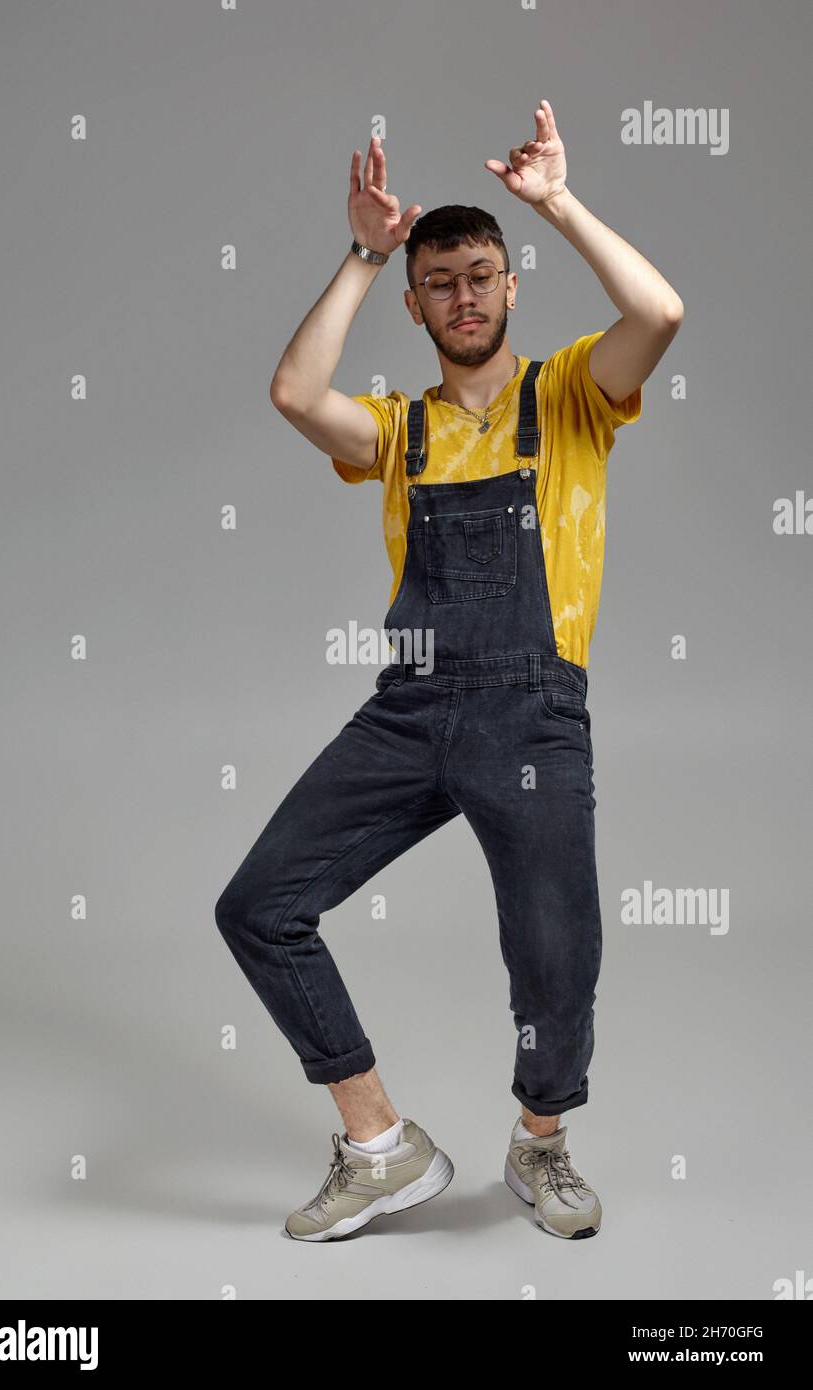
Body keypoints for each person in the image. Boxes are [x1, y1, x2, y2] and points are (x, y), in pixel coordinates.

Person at [215, 99, 683, 1242]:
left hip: (532, 714)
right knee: (260, 905)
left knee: (553, 954)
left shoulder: (570, 395)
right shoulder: (394, 429)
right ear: (417, 300)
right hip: (411, 709)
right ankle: (379, 1142)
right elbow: (290, 393)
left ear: (510, 286)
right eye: (439, 280)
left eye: (480, 275)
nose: (462, 297)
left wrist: (554, 200)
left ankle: (540, 1143)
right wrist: (366, 250)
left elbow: (658, 309)